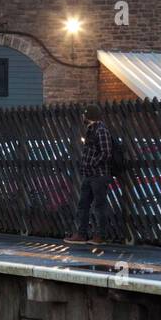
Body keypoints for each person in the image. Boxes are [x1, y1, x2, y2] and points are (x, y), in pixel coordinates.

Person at [66, 104, 112, 244]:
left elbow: (106, 152)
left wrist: (92, 163)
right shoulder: (90, 130)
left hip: (99, 174)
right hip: (89, 175)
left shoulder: (101, 131)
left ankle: (100, 236)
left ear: (89, 116)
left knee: (99, 206)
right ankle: (81, 234)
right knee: (83, 204)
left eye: (84, 115)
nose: (83, 117)